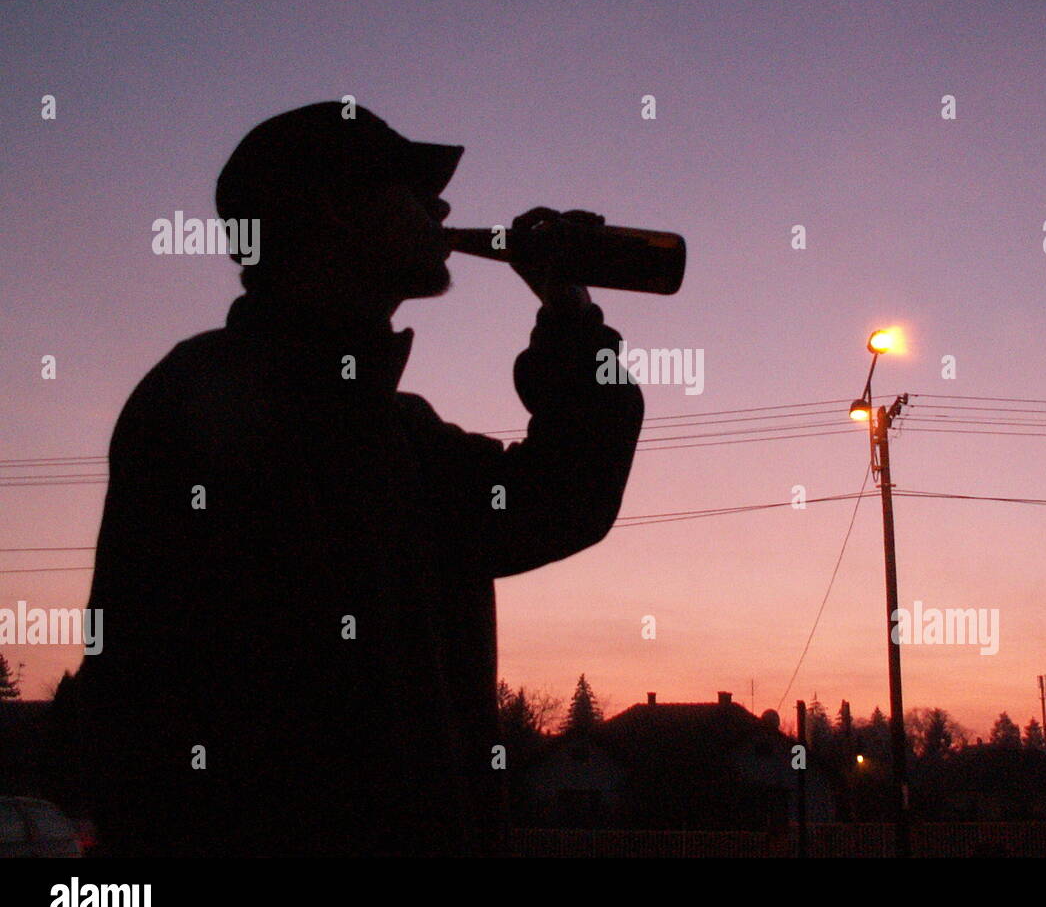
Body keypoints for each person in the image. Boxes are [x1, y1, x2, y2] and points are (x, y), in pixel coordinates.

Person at [76, 101, 644, 856]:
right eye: (412, 189)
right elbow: (145, 712)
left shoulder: (392, 428)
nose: (441, 207)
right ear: (338, 210)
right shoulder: (215, 403)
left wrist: (570, 310)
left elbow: (559, 498)